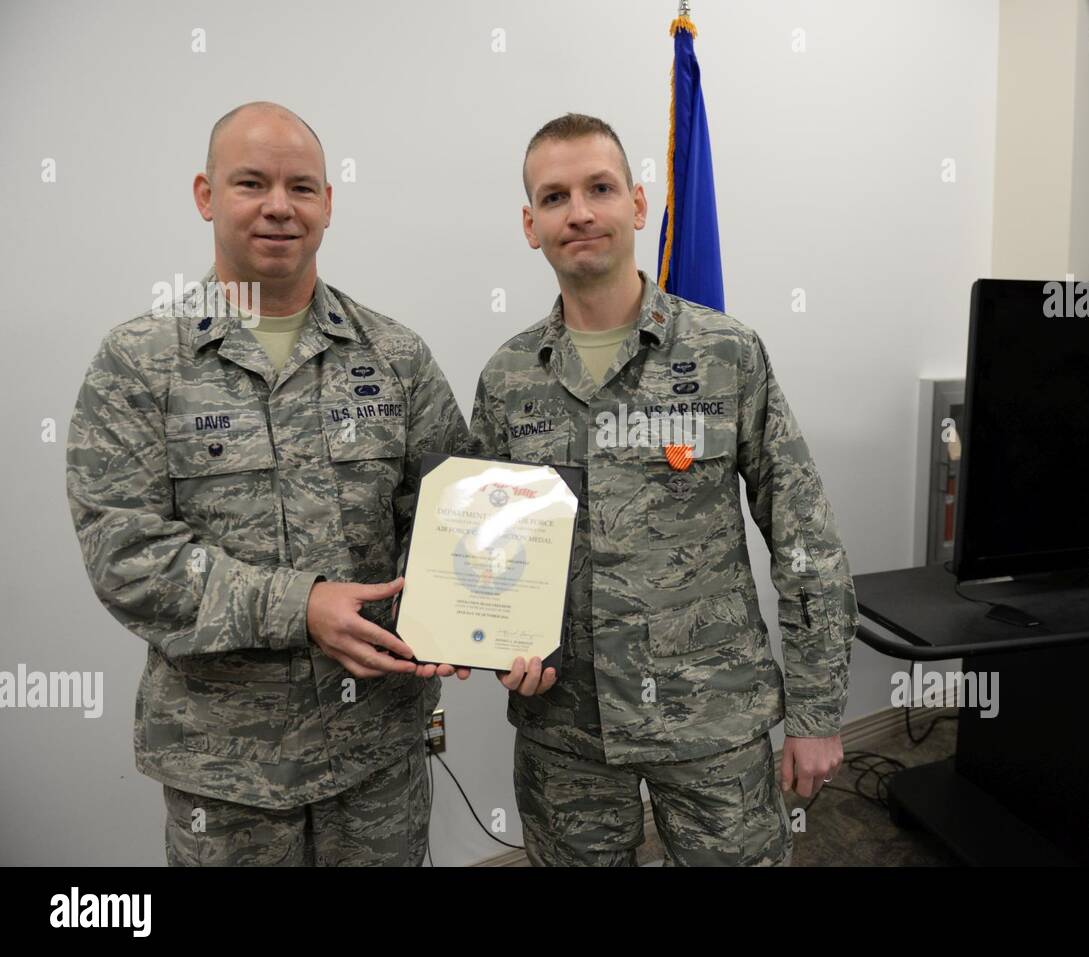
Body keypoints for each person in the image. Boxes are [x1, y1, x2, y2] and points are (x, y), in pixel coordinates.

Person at [66, 102, 472, 865]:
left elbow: (452, 514)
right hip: (227, 777)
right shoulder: (138, 364)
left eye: (302, 187)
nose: (279, 206)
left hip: (375, 759)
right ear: (205, 195)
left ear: (328, 203)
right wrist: (301, 605)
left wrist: (472, 616)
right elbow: (127, 556)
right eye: (252, 182)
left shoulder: (395, 356)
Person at [469, 113, 856, 866]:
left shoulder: (727, 353)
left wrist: (816, 712)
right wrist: (495, 640)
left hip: (713, 721)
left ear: (638, 206)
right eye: (554, 197)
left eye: (600, 188)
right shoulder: (509, 376)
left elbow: (805, 539)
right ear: (530, 224)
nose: (578, 212)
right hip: (566, 732)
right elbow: (488, 551)